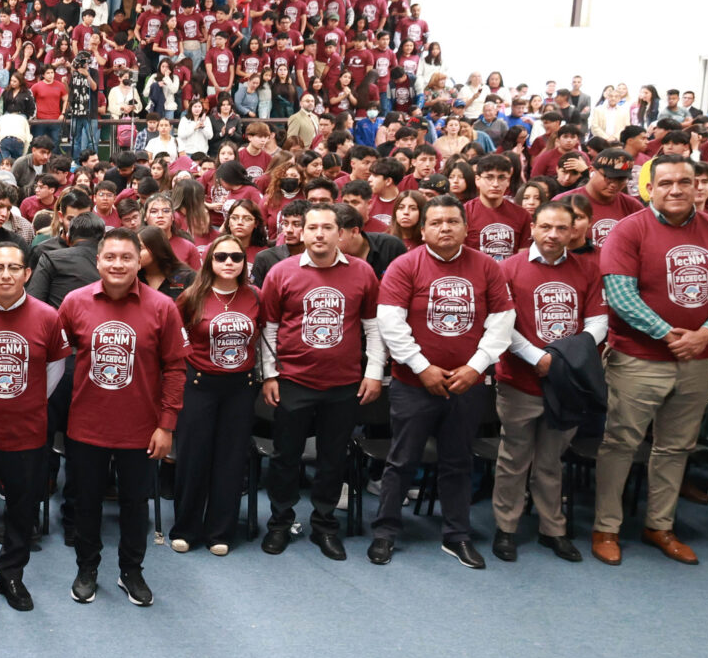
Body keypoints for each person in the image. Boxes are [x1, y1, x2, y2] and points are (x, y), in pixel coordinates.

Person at [593, 154, 708, 565]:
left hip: (698, 360)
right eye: (665, 183)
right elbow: (620, 294)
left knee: (676, 447)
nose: (675, 190)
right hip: (638, 358)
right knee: (620, 444)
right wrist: (667, 334)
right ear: (650, 188)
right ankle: (606, 527)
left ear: (698, 185)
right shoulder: (628, 230)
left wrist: (706, 334)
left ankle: (659, 525)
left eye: (684, 181)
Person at [372, 195, 515, 568]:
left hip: (467, 384)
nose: (445, 228)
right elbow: (390, 322)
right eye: (436, 223)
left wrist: (476, 367)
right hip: (413, 383)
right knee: (401, 460)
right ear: (423, 229)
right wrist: (422, 367)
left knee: (458, 461)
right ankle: (386, 532)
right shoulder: (405, 265)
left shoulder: (487, 267)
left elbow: (502, 321)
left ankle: (457, 535)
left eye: (452, 222)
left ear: (466, 228)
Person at [55, 227, 185, 608]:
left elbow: (176, 368)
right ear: (97, 261)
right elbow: (53, 356)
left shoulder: (163, 307)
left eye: (126, 257)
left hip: (142, 429)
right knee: (86, 502)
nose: (117, 264)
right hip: (86, 424)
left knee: (134, 504)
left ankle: (131, 570)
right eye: (110, 257)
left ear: (138, 261)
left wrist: (166, 424)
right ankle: (86, 568)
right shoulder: (75, 303)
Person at [258, 203, 383, 560]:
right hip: (293, 381)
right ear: (299, 232)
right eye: (312, 227)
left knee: (332, 459)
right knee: (285, 458)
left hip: (343, 384)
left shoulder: (362, 273)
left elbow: (373, 327)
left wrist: (373, 372)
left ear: (339, 233)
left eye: (327, 227)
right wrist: (269, 373)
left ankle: (325, 525)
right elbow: (268, 328)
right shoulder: (281, 272)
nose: (318, 234)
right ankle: (280, 523)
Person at [0, 241, 66, 611]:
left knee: (22, 508)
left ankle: (12, 574)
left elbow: (54, 369)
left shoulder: (48, 316)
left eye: (13, 268)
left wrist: (26, 400)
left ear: (27, 274)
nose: (6, 275)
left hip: (28, 432)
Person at [493, 200, 603, 563]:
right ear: (533, 228)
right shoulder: (507, 268)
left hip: (566, 382)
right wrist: (538, 358)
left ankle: (551, 529)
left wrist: (563, 359)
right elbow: (502, 325)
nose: (553, 235)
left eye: (561, 228)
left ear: (574, 231)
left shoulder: (588, 270)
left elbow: (597, 322)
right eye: (546, 227)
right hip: (519, 382)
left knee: (551, 461)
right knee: (513, 458)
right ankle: (506, 528)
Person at [169, 235, 263, 555]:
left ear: (243, 263)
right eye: (221, 256)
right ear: (209, 260)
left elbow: (265, 340)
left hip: (240, 388)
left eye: (236, 257)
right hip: (198, 386)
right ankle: (185, 528)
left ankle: (220, 531)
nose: (228, 262)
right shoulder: (191, 297)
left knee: (231, 460)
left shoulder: (256, 297)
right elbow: (172, 341)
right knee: (193, 458)